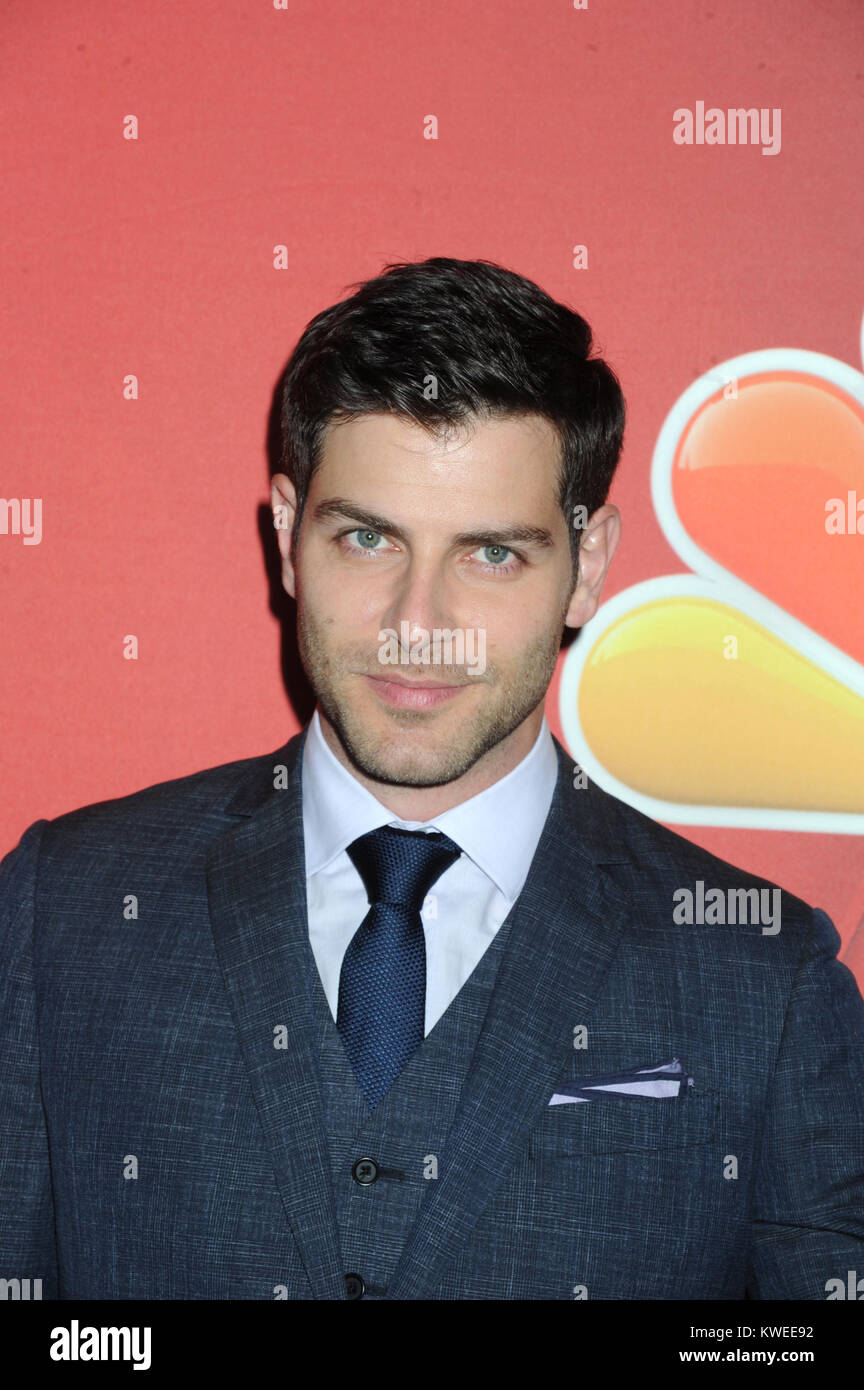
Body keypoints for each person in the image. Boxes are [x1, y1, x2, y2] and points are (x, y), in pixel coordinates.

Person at [1, 257, 862, 1301]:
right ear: (286, 537)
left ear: (586, 568)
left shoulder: (760, 980)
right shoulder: (66, 912)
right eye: (368, 538)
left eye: (491, 555)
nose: (419, 624)